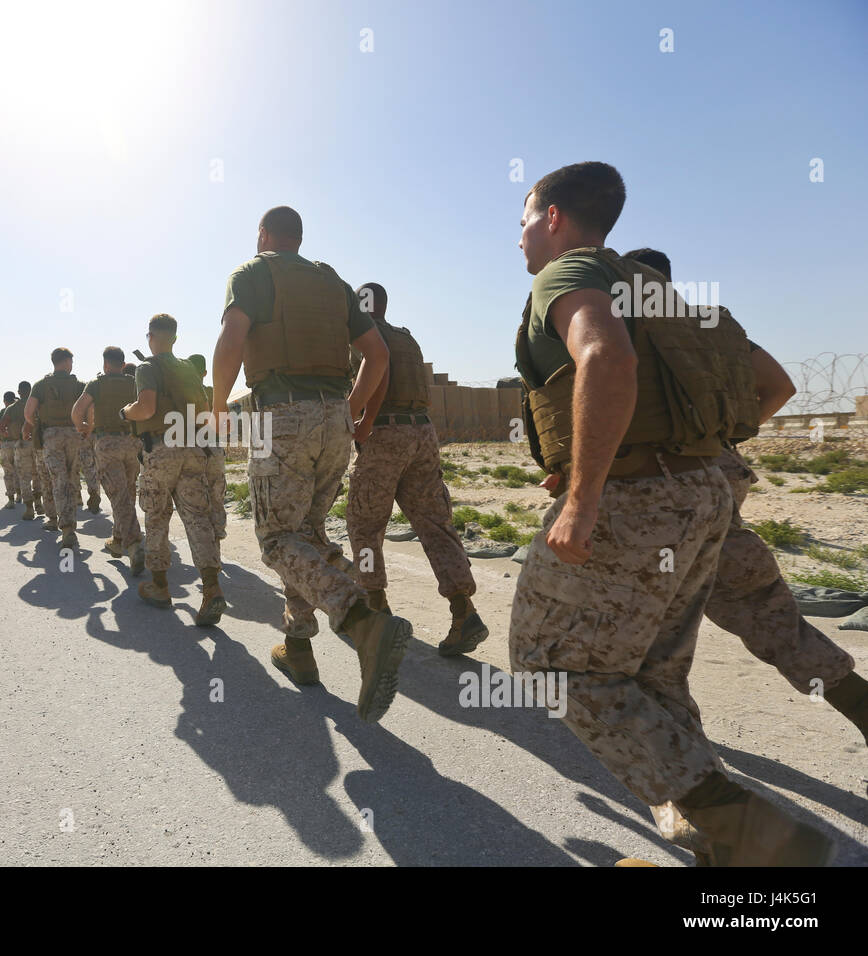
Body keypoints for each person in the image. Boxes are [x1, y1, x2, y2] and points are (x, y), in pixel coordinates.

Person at [510, 161, 833, 865]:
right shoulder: (656, 289)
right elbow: (764, 382)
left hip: (631, 498)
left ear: (556, 218)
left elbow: (607, 358)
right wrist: (697, 446)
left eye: (526, 219)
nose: (522, 237)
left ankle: (754, 833)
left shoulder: (566, 275)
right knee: (654, 671)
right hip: (704, 492)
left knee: (551, 665)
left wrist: (583, 497)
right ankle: (719, 843)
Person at [623, 248, 867, 745]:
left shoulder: (627, 328)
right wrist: (725, 435)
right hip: (717, 475)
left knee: (646, 614)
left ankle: (678, 757)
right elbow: (780, 385)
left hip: (656, 483)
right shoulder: (711, 326)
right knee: (757, 605)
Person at [210, 205, 412, 723]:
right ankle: (298, 646)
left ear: (263, 235)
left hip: (281, 415)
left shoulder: (253, 273)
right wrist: (351, 414)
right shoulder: (334, 282)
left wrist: (215, 409)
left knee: (278, 539)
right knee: (307, 535)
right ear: (299, 239)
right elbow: (378, 355)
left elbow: (232, 338)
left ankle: (362, 620)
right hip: (333, 419)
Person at [345, 281, 485, 655]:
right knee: (434, 523)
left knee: (364, 525)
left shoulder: (366, 337)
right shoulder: (407, 337)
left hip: (385, 433)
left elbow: (380, 372)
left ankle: (376, 611)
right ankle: (463, 611)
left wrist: (364, 423)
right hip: (422, 432)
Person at [123, 314, 225, 625]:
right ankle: (212, 588)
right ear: (176, 339)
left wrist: (127, 411)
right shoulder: (188, 370)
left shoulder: (147, 367)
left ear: (150, 336)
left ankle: (160, 586)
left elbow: (147, 408)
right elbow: (204, 412)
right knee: (197, 517)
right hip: (194, 446)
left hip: (163, 448)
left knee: (156, 515)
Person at [72, 346, 146, 573]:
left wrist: (82, 426)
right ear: (123, 364)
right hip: (132, 443)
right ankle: (117, 539)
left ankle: (133, 545)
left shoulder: (97, 384)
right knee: (126, 492)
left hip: (107, 444)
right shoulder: (133, 383)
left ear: (105, 364)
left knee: (118, 494)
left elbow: (78, 410)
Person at [25, 348, 86, 551]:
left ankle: (66, 527)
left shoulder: (41, 385)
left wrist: (39, 423)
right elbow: (89, 409)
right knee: (71, 479)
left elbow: (28, 412)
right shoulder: (79, 385)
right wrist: (85, 425)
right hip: (73, 434)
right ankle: (69, 526)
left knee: (57, 480)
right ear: (68, 361)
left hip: (51, 436)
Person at [187, 353, 228, 542]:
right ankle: (218, 532)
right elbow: (225, 424)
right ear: (204, 373)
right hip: (214, 446)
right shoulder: (214, 393)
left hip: (192, 449)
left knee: (195, 495)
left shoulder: (182, 392)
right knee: (216, 492)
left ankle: (205, 540)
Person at [6, 381, 42, 520]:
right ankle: (39, 502)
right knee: (38, 474)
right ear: (31, 390)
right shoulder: (37, 404)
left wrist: (12, 434)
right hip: (37, 443)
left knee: (24, 477)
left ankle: (29, 509)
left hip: (21, 444)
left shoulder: (12, 408)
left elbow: (1, 426)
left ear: (19, 392)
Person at [0, 391, 21, 509]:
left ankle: (11, 499)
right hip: (21, 443)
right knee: (22, 470)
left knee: (9, 472)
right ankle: (20, 495)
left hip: (7, 444)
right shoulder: (19, 410)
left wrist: (2, 431)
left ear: (4, 401)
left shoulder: (0, 413)